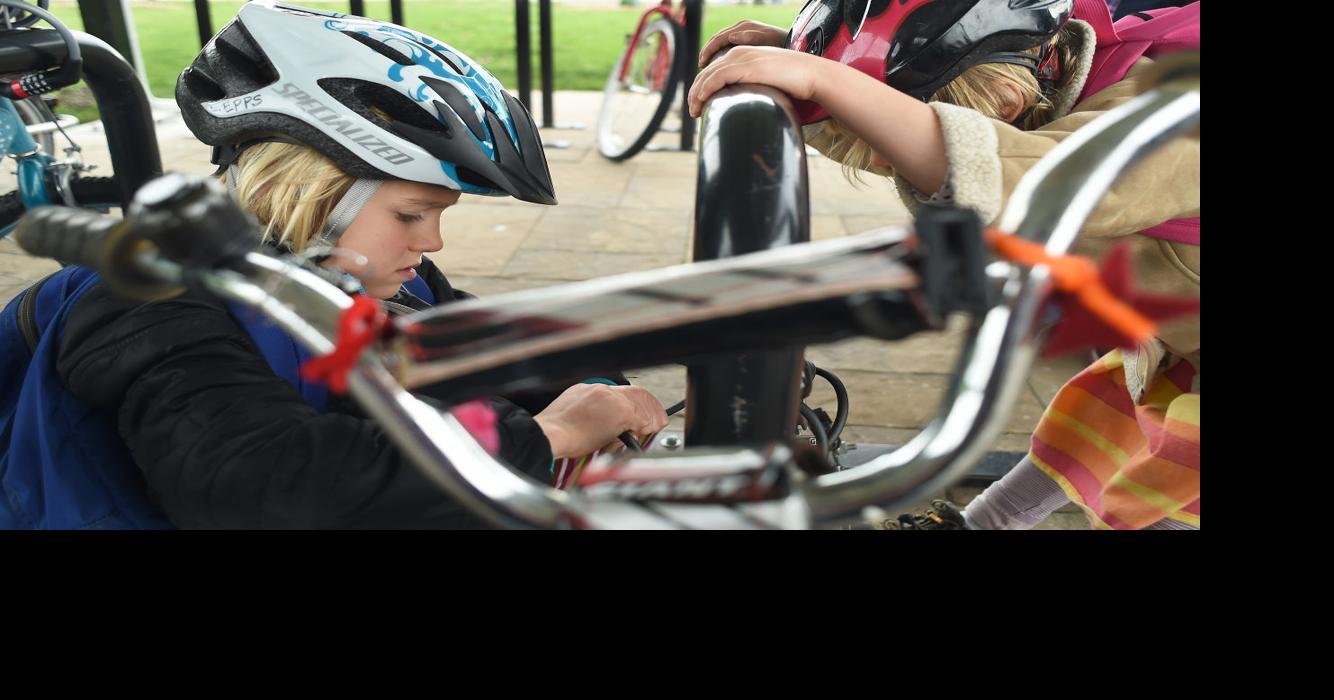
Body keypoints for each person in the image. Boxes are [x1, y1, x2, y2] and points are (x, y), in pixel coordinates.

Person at [53, 1, 667, 528]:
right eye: (409, 215)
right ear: (308, 191)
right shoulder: (151, 303)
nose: (432, 242)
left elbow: (472, 344)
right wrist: (546, 435)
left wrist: (588, 383)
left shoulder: (366, 276)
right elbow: (265, 486)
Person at [689, 0, 1199, 530]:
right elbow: (899, 146)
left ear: (1005, 103)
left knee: (1165, 497)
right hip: (1176, 334)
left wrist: (826, 81)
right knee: (1092, 431)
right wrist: (816, 66)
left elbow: (1022, 180)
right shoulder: (1052, 82)